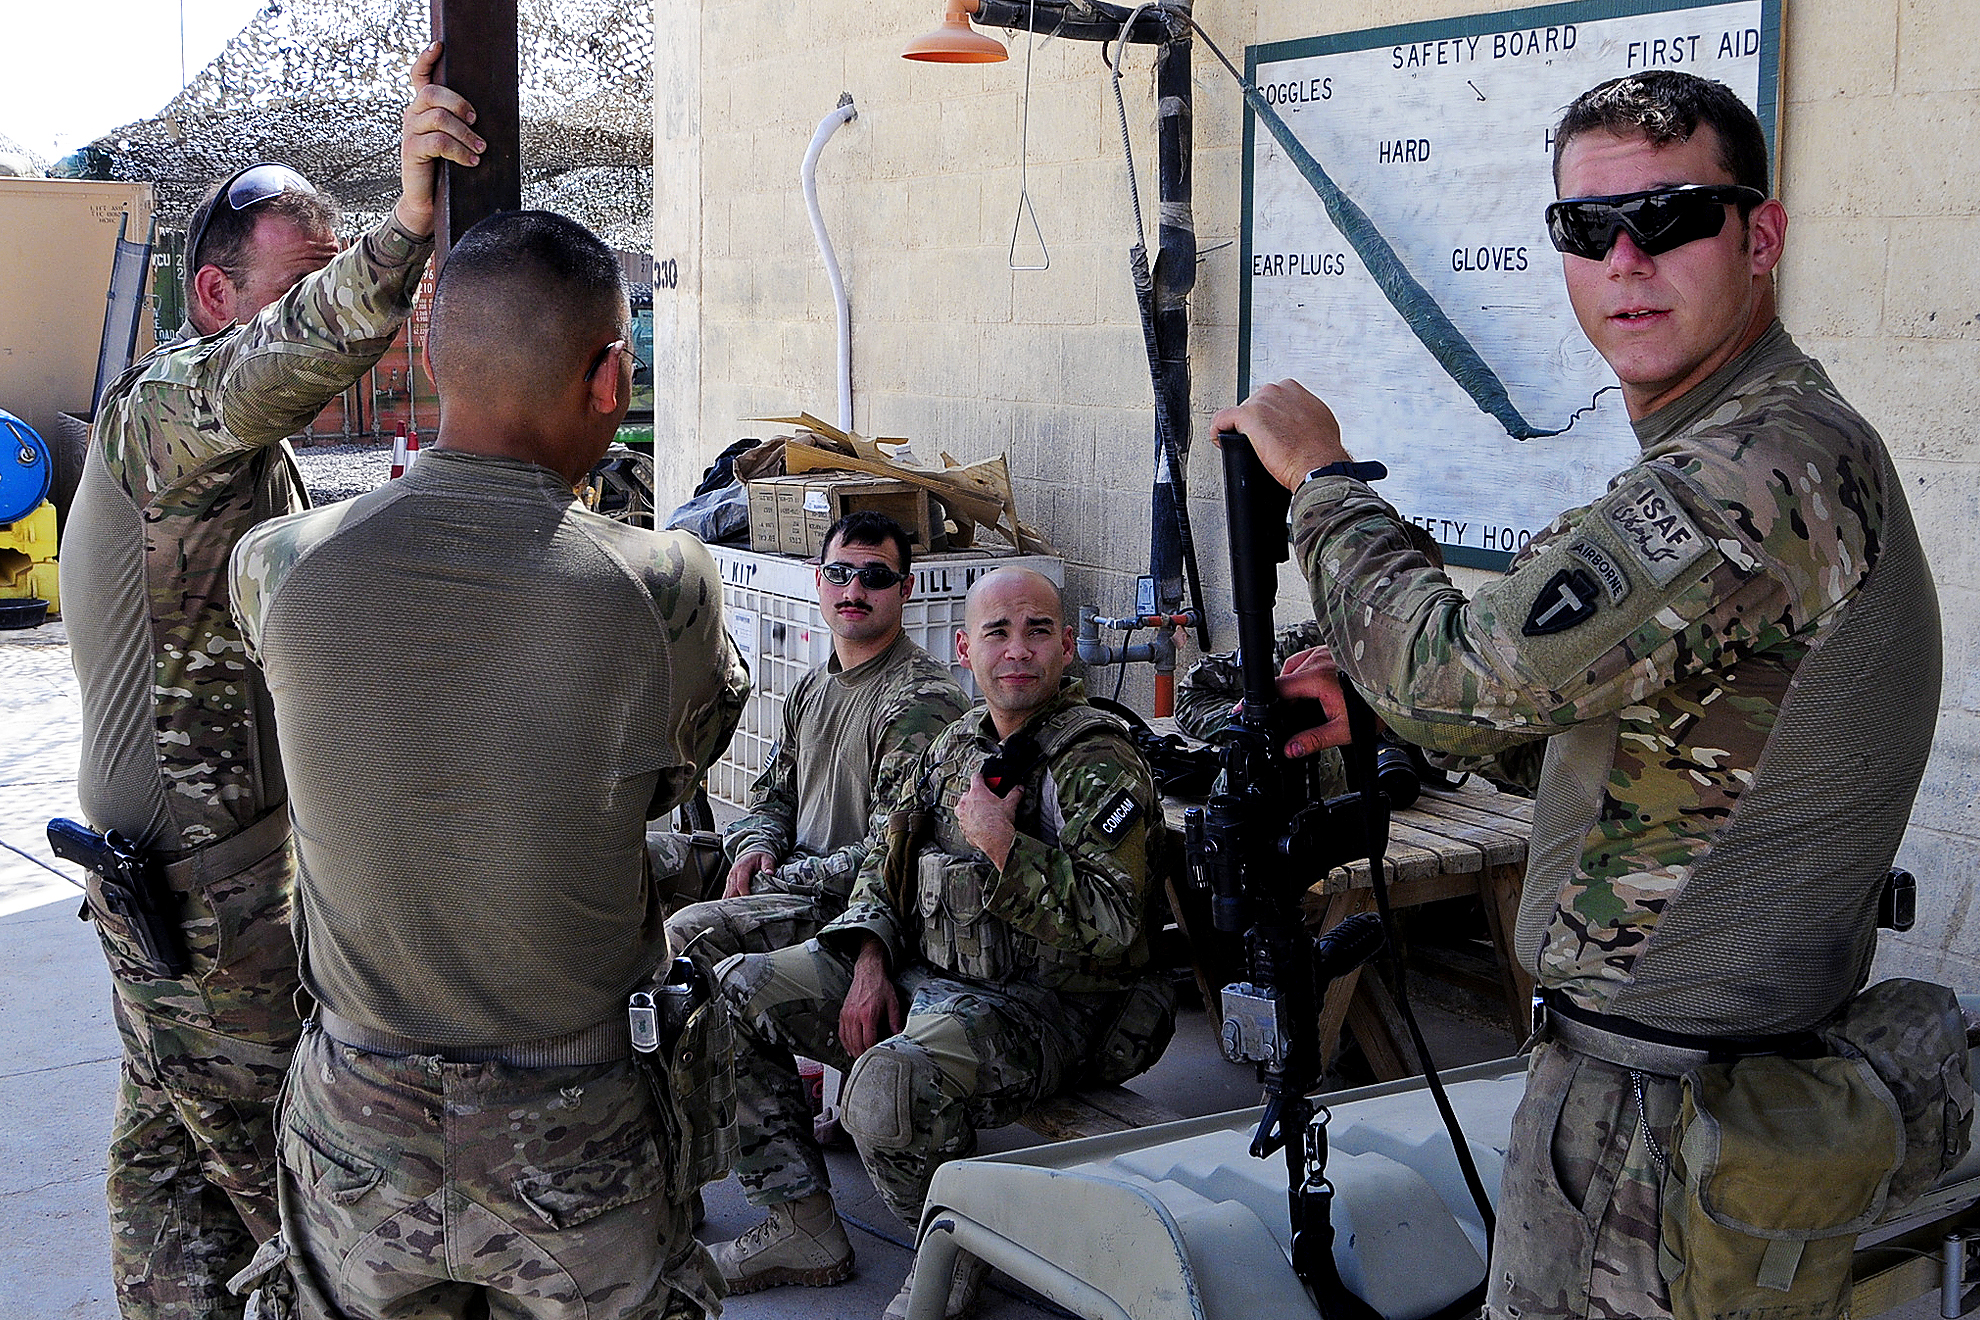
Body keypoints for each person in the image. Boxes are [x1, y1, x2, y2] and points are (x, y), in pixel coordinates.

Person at [1215, 70, 1941, 1320]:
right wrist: (1380, 710)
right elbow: (1674, 744)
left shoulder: (1759, 468)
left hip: (1661, 1125)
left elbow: (1453, 680)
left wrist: (1321, 484)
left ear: (1759, 237)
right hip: (1687, 1099)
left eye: (1671, 219)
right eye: (1586, 228)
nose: (1625, 259)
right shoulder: (1752, 443)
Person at [226, 210, 749, 1319]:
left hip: (355, 1127)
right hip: (578, 1127)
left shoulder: (278, 566)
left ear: (427, 352)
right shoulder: (663, 587)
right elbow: (680, 768)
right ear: (610, 377)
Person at [57, 43, 480, 1320]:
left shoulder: (242, 463)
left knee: (168, 1186)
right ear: (213, 296)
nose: (336, 318)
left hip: (191, 901)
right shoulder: (166, 414)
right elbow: (287, 355)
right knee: (312, 1219)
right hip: (203, 916)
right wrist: (409, 228)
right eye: (298, 282)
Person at [710, 567, 1174, 1319]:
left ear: (1065, 651)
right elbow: (882, 863)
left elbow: (1118, 929)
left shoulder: (1096, 762)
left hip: (1061, 1010)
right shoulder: (958, 744)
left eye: (1038, 631)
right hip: (940, 977)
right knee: (737, 986)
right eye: (997, 632)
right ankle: (799, 1220)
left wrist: (1003, 848)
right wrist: (868, 958)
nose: (1016, 649)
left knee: (889, 1088)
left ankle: (952, 1259)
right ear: (966, 648)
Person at [665, 510, 967, 975]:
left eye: (876, 577)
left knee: (688, 934)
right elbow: (774, 794)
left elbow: (891, 851)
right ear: (819, 580)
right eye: (840, 573)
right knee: (637, 864)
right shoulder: (811, 687)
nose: (853, 592)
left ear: (905, 590)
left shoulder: (921, 701)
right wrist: (756, 847)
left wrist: (777, 878)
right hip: (787, 875)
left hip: (845, 907)